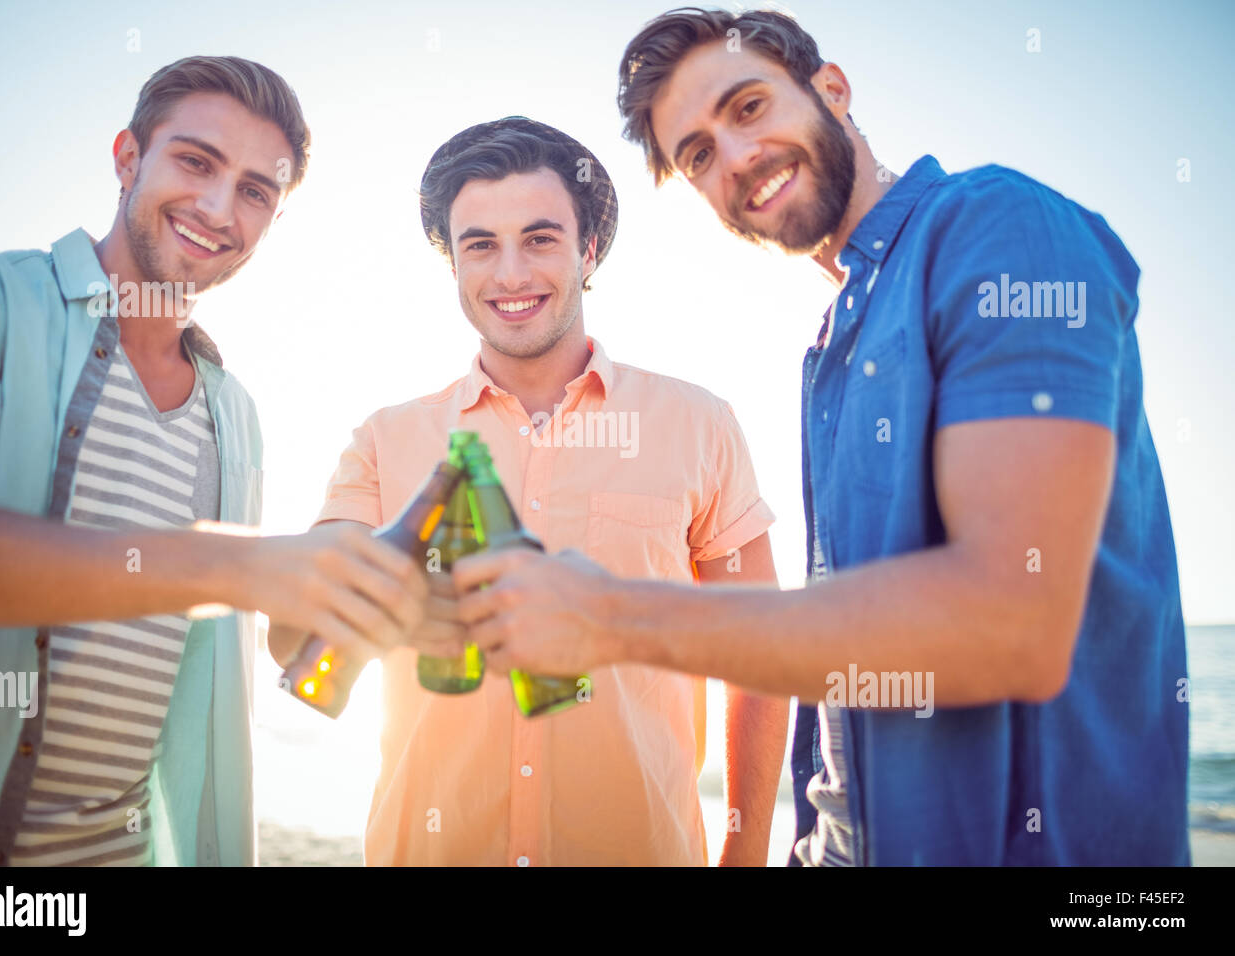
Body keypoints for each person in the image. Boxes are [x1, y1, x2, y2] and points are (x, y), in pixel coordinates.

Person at [450, 9, 1189, 866]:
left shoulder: (998, 227)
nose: (734, 157)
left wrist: (612, 615)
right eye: (696, 153)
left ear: (832, 90)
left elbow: (1011, 623)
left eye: (750, 107)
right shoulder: (834, 344)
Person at [0, 56, 441, 866]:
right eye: (196, 162)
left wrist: (360, 603)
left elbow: (239, 641)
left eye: (254, 191)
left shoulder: (234, 413)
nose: (217, 207)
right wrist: (234, 566)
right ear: (128, 158)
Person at [270, 116, 789, 866]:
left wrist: (744, 855)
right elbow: (298, 636)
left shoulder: (699, 424)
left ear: (589, 250)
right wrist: (348, 602)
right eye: (479, 245)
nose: (510, 273)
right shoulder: (385, 439)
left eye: (540, 239)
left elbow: (760, 652)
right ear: (452, 265)